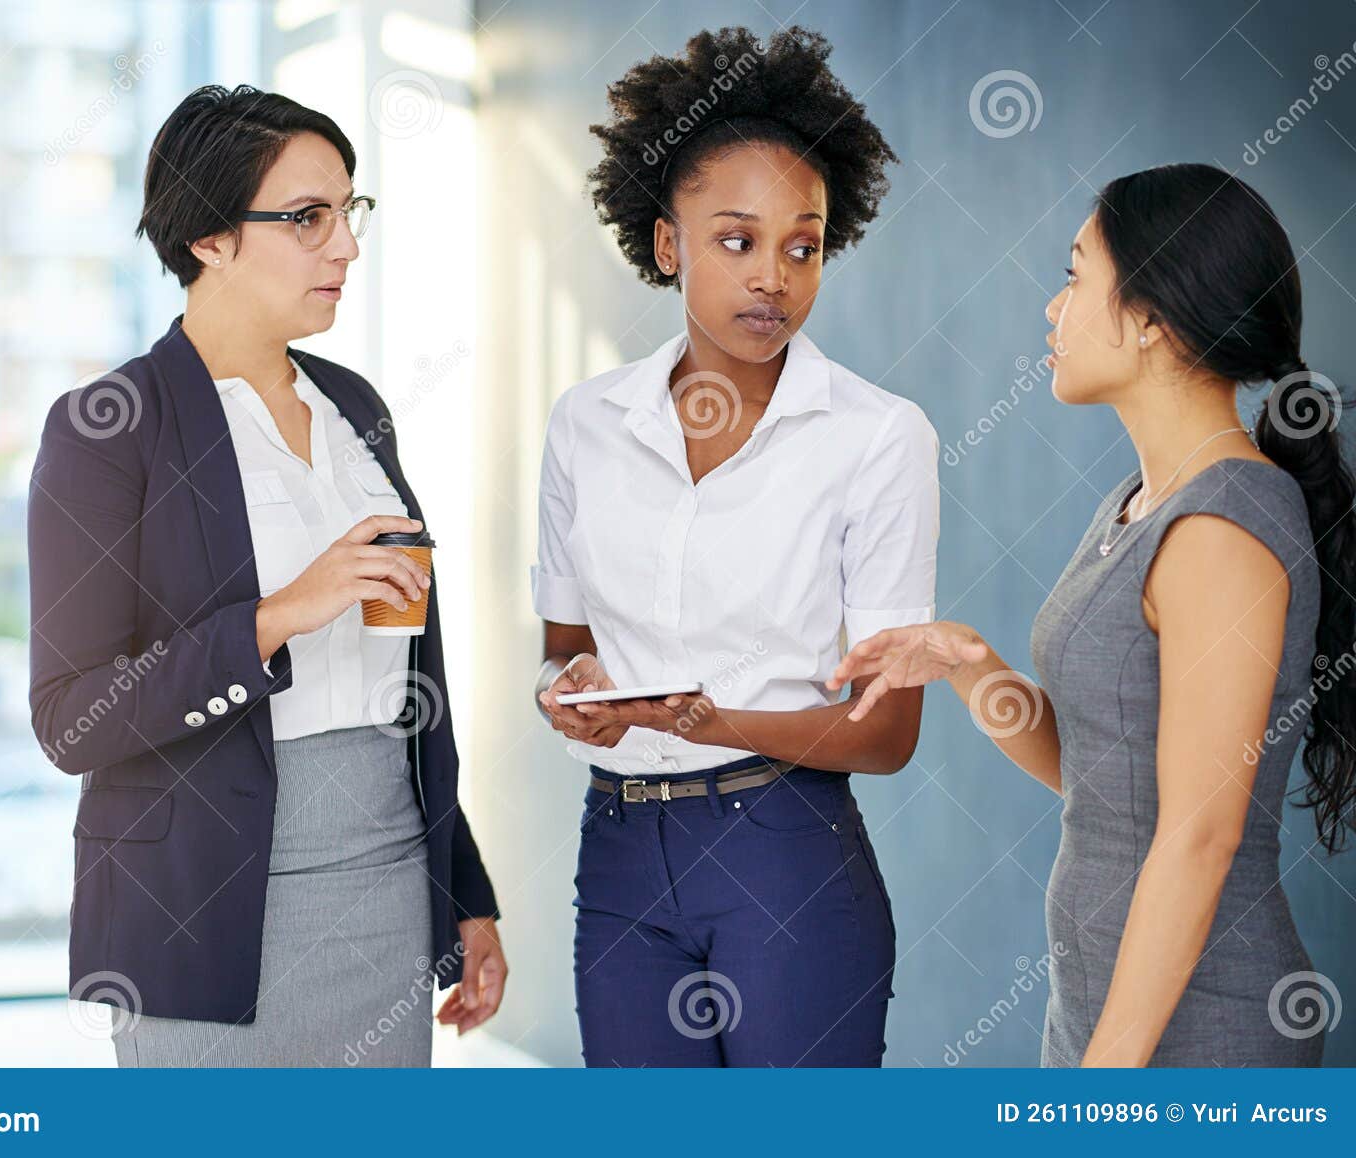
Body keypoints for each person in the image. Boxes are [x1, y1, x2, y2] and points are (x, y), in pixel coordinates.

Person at [830, 163, 1355, 1067]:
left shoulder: (1226, 528)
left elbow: (1200, 834)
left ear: (1152, 318)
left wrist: (1100, 1090)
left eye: (1075, 275)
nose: (1053, 308)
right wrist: (971, 664)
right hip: (1102, 1016)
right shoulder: (1138, 502)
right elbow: (1111, 784)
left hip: (1201, 1034)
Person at [28, 84, 505, 1067]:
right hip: (202, 897)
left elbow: (412, 687)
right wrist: (280, 615)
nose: (345, 247)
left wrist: (467, 892)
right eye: (305, 218)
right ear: (207, 236)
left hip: (385, 879)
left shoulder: (354, 407)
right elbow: (71, 719)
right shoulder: (109, 427)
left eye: (349, 212)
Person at [532, 27, 937, 1066]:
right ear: (668, 244)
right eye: (735, 240)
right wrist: (567, 689)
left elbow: (888, 734)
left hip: (786, 853)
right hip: (618, 858)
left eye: (801, 246)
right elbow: (564, 643)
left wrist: (711, 721)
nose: (774, 279)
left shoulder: (877, 437)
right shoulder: (585, 424)